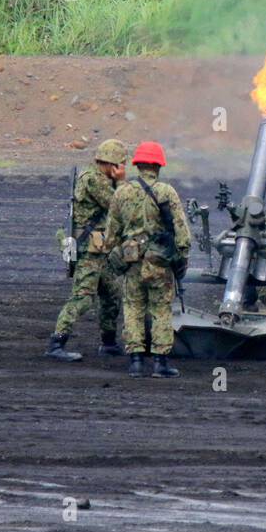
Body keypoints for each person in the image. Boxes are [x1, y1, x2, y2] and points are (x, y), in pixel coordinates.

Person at [101, 141, 191, 378]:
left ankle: (136, 362)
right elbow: (182, 233)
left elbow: (111, 234)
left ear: (137, 165)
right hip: (159, 264)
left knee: (133, 308)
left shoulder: (122, 192)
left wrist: (114, 253)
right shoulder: (166, 192)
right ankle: (161, 363)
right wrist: (181, 259)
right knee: (161, 310)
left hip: (131, 263)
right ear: (158, 166)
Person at [46, 139, 127, 362]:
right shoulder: (93, 179)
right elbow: (118, 206)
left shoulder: (99, 178)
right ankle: (56, 343)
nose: (122, 170)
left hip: (100, 250)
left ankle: (108, 343)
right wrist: (120, 183)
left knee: (112, 294)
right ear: (112, 165)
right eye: (120, 165)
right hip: (88, 251)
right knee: (82, 298)